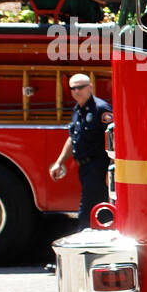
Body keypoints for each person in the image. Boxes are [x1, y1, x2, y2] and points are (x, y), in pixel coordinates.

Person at [49, 73, 112, 228]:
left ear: (90, 87)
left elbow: (114, 139)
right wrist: (59, 163)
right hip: (85, 167)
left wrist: (110, 170)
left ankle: (84, 240)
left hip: (98, 166)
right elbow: (72, 138)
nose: (76, 91)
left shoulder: (101, 109)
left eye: (80, 87)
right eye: (73, 88)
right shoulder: (78, 109)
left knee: (88, 209)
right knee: (97, 208)